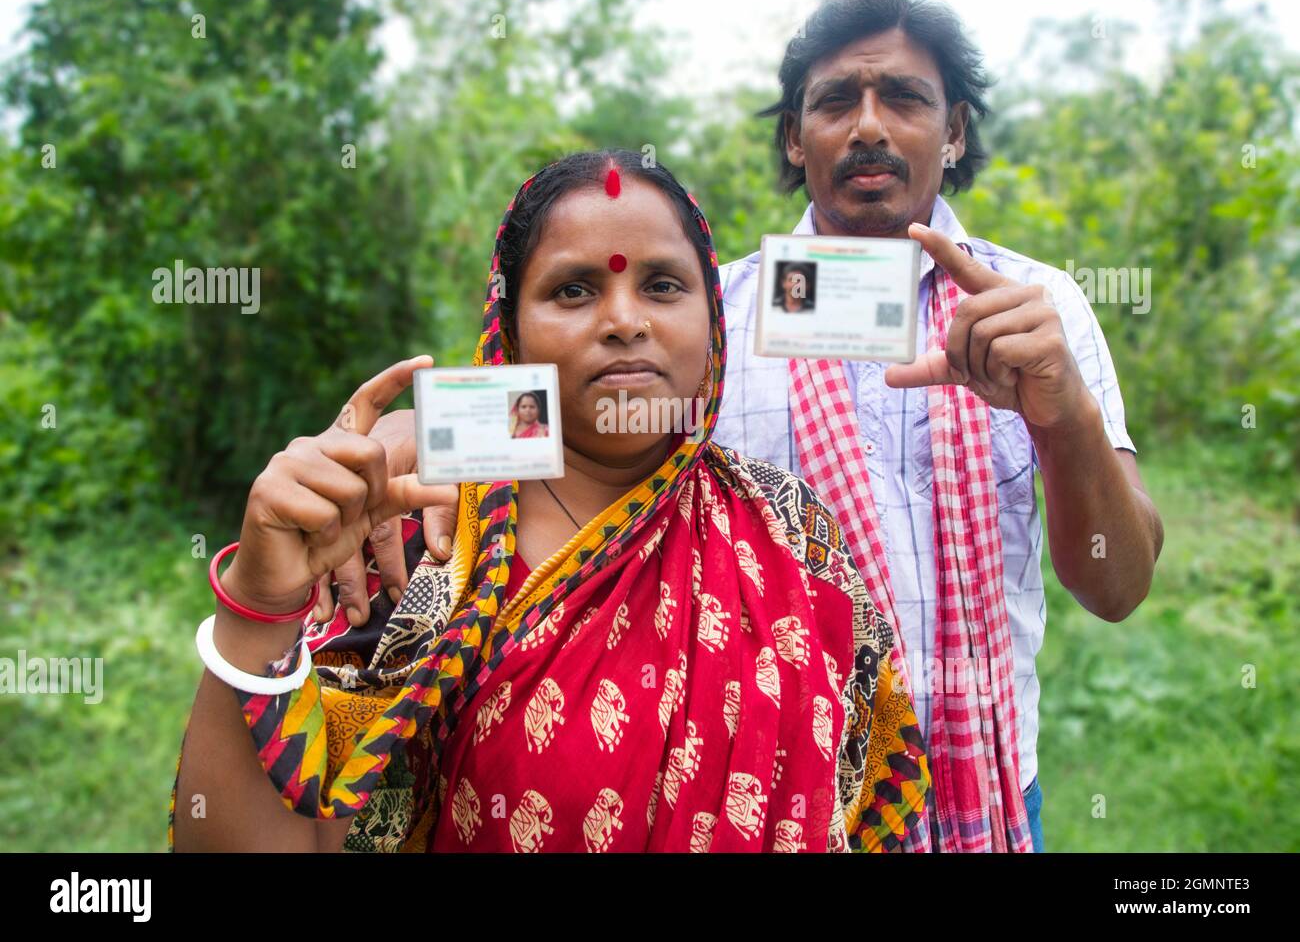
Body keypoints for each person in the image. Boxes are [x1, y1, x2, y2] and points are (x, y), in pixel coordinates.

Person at [168, 149, 929, 853]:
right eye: (574, 290)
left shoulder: (787, 528)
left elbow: (875, 793)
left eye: (663, 285)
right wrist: (257, 603)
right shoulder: (421, 536)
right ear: (513, 331)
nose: (626, 319)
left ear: (712, 319)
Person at [710, 0, 1164, 851]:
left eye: (906, 100)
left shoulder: (1037, 310)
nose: (869, 127)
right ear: (794, 137)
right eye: (836, 100)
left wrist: (1061, 409)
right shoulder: (718, 322)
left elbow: (1119, 588)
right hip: (782, 809)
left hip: (992, 795)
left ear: (953, 132)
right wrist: (430, 442)